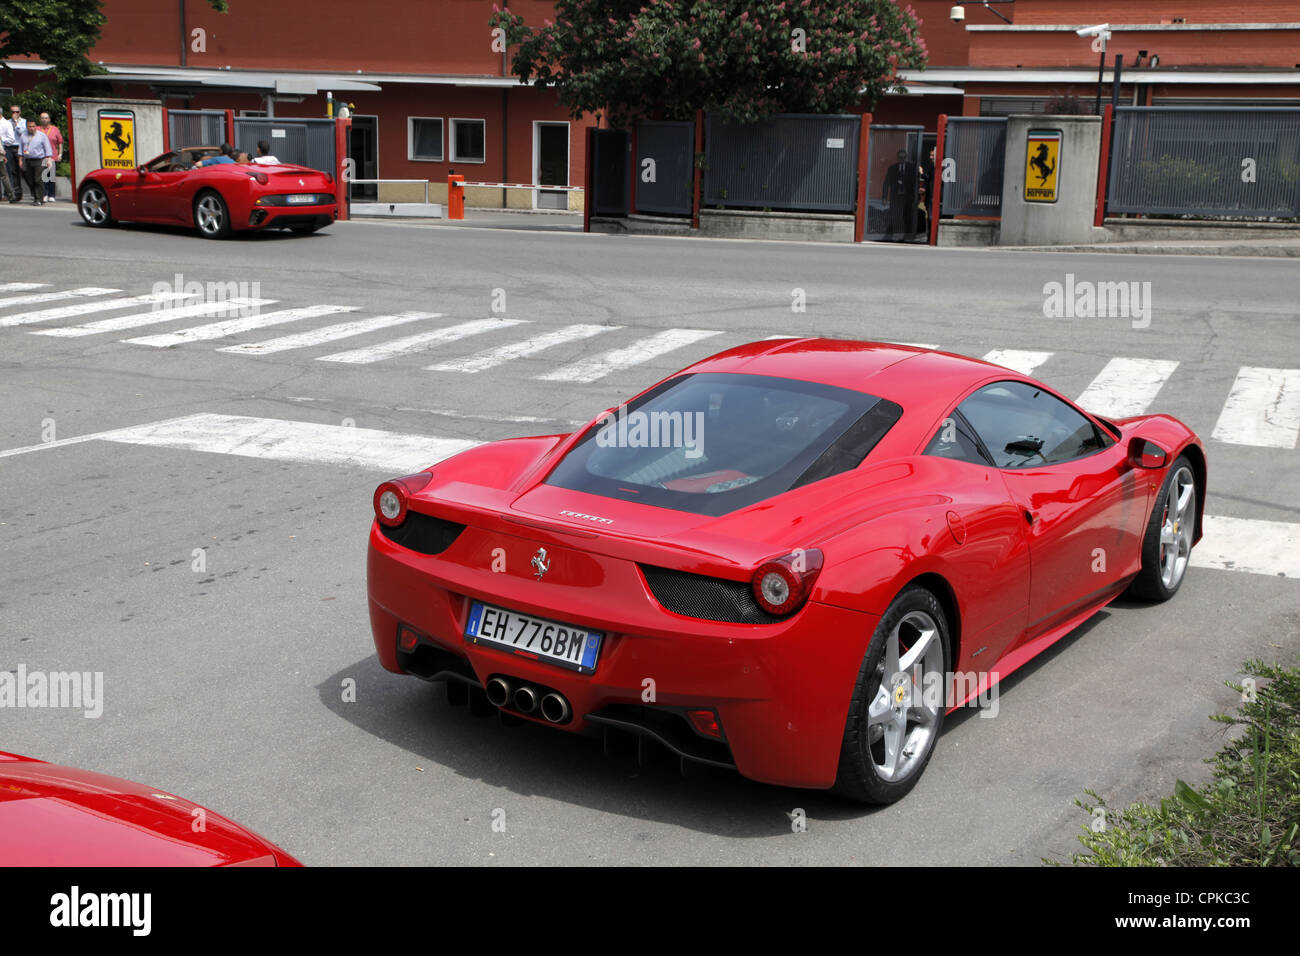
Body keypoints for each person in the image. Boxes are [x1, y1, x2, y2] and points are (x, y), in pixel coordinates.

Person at [881, 148, 919, 241]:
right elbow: (886, 183)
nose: (902, 159)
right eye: (900, 157)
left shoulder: (912, 168)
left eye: (903, 157)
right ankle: (889, 234)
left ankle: (908, 235)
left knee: (907, 216)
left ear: (906, 157)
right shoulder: (892, 168)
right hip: (895, 196)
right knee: (893, 215)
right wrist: (884, 197)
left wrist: (916, 197)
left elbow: (915, 183)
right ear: (898, 158)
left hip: (907, 196)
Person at [18, 119, 52, 207]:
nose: (32, 128)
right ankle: (36, 195)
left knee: (38, 179)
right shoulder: (23, 136)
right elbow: (21, 149)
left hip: (39, 160)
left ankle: (39, 199)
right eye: (29, 127)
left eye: (33, 126)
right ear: (27, 127)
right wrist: (20, 160)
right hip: (28, 160)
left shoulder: (42, 136)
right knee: (29, 179)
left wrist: (48, 160)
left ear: (36, 126)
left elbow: (47, 148)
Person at [37, 112, 62, 203]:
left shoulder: (55, 129)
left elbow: (60, 142)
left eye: (46, 118)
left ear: (49, 119)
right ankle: (44, 194)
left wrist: (60, 154)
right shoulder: (37, 129)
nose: (44, 119)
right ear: (40, 119)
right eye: (42, 118)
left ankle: (51, 195)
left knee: (51, 176)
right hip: (41, 156)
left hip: (52, 156)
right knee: (43, 177)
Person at [4, 104, 24, 201]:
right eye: (13, 112)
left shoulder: (24, 122)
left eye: (17, 112)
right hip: (9, 148)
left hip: (20, 148)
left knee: (22, 171)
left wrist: (16, 124)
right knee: (11, 171)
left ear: (20, 112)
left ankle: (22, 191)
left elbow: (23, 134)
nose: (15, 114)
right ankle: (14, 193)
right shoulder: (7, 122)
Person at [0, 109, 17, 201]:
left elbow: (11, 139)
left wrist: (1, 139)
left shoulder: (6, 124)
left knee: (6, 174)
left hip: (4, 150)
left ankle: (9, 195)